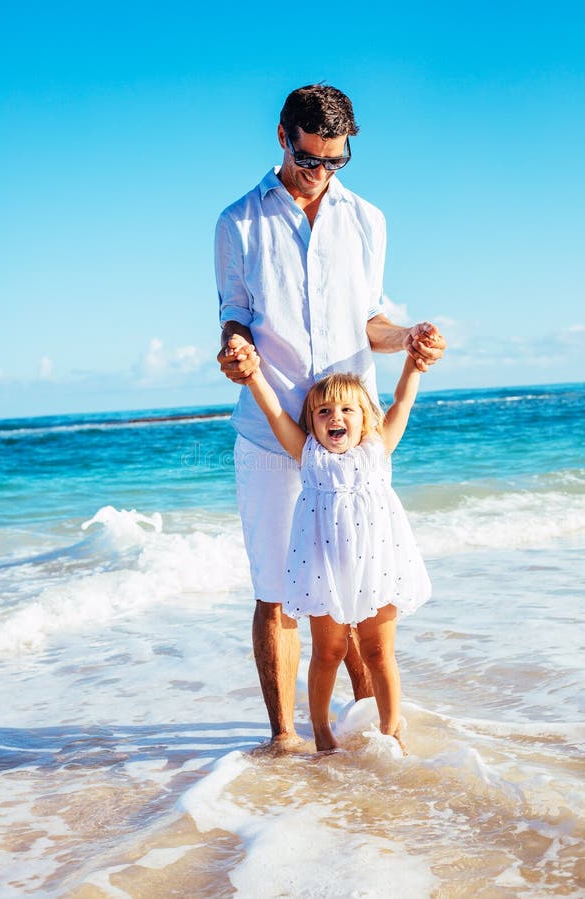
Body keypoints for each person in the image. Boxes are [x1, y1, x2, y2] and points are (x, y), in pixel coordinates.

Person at [215, 83, 445, 747]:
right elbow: (235, 313)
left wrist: (409, 339)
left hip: (351, 435)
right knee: (278, 590)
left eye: (337, 162)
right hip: (272, 431)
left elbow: (370, 318)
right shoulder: (238, 221)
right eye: (313, 159)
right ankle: (286, 737)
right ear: (284, 139)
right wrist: (235, 345)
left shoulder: (367, 219)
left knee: (358, 581)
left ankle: (370, 731)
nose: (322, 174)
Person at [226, 334, 430, 752]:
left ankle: (391, 731)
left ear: (364, 419)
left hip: (378, 568)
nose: (334, 417)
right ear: (313, 421)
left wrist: (413, 365)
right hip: (324, 572)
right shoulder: (307, 454)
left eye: (346, 410)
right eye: (323, 411)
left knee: (378, 653)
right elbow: (272, 410)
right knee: (328, 653)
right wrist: (252, 377)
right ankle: (321, 732)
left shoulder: (378, 449)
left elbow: (402, 404)